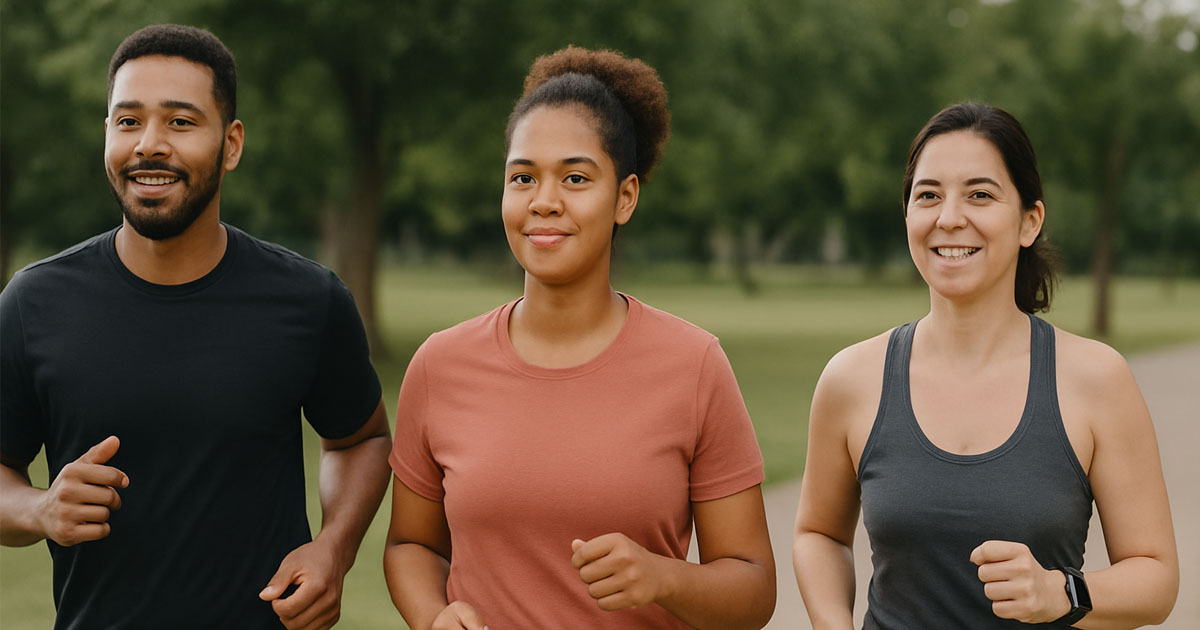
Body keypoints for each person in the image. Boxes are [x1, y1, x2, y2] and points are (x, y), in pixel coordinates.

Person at [0, 24, 392, 630]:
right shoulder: (34, 302)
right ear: (106, 133)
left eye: (180, 122)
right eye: (128, 121)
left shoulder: (308, 301)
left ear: (231, 144)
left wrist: (334, 549)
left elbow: (361, 438)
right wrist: (39, 507)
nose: (149, 145)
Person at [382, 46, 775, 630]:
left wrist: (664, 577)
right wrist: (433, 616)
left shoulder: (694, 365)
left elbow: (753, 588)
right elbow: (410, 545)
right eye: (523, 177)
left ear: (625, 197)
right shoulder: (440, 365)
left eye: (574, 177)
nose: (544, 201)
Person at [791, 102, 1179, 628]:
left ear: (1028, 222)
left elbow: (1156, 579)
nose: (949, 217)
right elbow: (820, 534)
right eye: (928, 195)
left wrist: (1062, 591)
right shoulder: (850, 379)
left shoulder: (1096, 379)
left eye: (980, 194)